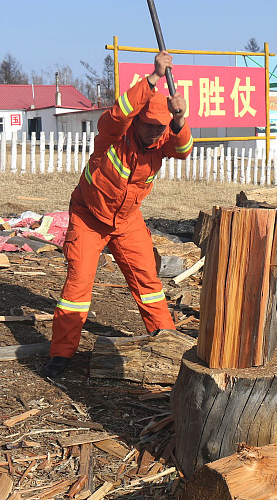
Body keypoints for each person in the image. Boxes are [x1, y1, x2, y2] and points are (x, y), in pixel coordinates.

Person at [42, 51, 192, 378]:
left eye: (160, 127)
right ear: (137, 120)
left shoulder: (163, 140)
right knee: (78, 286)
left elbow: (183, 150)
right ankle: (61, 354)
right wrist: (154, 77)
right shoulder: (113, 135)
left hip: (127, 221)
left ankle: (166, 341)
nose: (154, 133)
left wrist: (179, 120)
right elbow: (118, 111)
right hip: (88, 217)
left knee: (148, 283)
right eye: (149, 125)